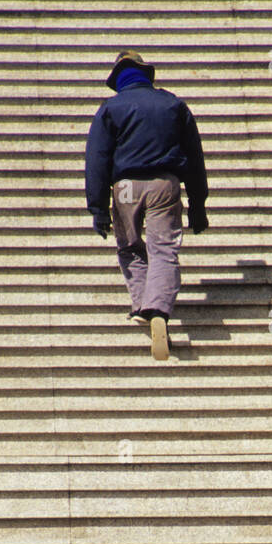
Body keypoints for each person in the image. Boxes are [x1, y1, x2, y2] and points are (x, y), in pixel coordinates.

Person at [85, 51, 209, 360]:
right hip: (163, 184)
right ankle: (158, 310)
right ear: (146, 75)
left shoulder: (110, 108)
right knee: (163, 249)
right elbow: (195, 158)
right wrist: (197, 205)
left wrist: (98, 207)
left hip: (125, 187)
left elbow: (97, 159)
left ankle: (141, 304)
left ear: (118, 80)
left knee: (130, 247)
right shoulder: (173, 104)